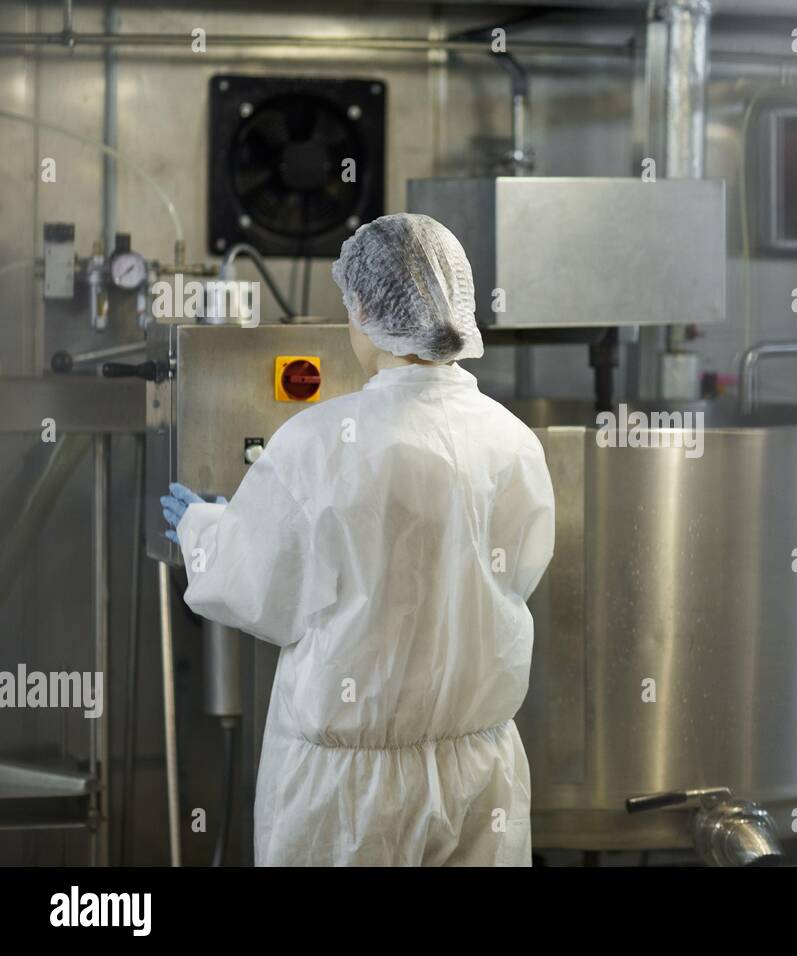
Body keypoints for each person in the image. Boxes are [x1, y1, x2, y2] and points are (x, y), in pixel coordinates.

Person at [160, 214, 555, 865]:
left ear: (365, 307)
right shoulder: (512, 440)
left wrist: (204, 528)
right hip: (482, 773)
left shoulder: (320, 442)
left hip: (348, 796)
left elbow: (256, 590)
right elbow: (514, 578)